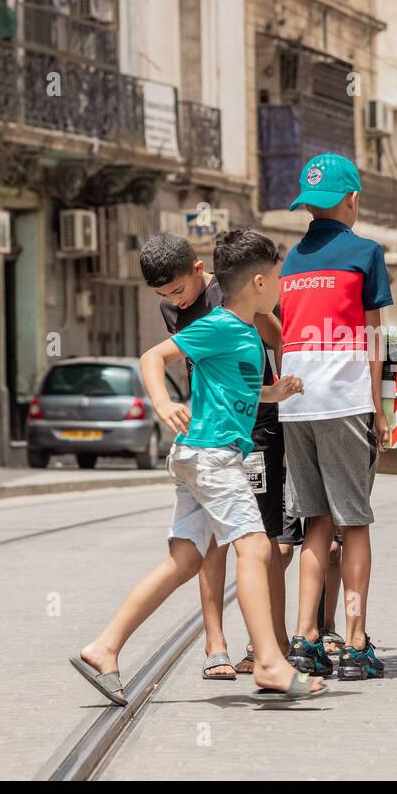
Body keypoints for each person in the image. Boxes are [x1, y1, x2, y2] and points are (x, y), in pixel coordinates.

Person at [71, 229, 324, 701]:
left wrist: (275, 392)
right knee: (256, 547)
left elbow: (238, 390)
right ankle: (270, 660)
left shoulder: (245, 330)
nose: (282, 285)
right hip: (210, 457)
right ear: (259, 284)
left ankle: (104, 647)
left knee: (185, 559)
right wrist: (163, 402)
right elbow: (153, 357)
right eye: (278, 277)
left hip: (199, 457)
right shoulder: (222, 325)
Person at [139, 232, 290, 680]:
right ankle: (216, 642)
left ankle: (268, 644)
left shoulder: (234, 291)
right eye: (164, 296)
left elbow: (274, 334)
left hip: (255, 425)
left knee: (261, 541)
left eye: (179, 291)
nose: (175, 303)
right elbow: (171, 359)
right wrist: (167, 402)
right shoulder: (174, 309)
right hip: (209, 433)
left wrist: (277, 390)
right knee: (215, 544)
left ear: (200, 271)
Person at [280, 152, 393, 682]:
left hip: (295, 405)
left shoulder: (289, 260)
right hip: (344, 401)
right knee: (355, 522)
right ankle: (353, 642)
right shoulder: (366, 252)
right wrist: (381, 406)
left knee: (314, 525)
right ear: (352, 200)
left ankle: (303, 639)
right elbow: (373, 337)